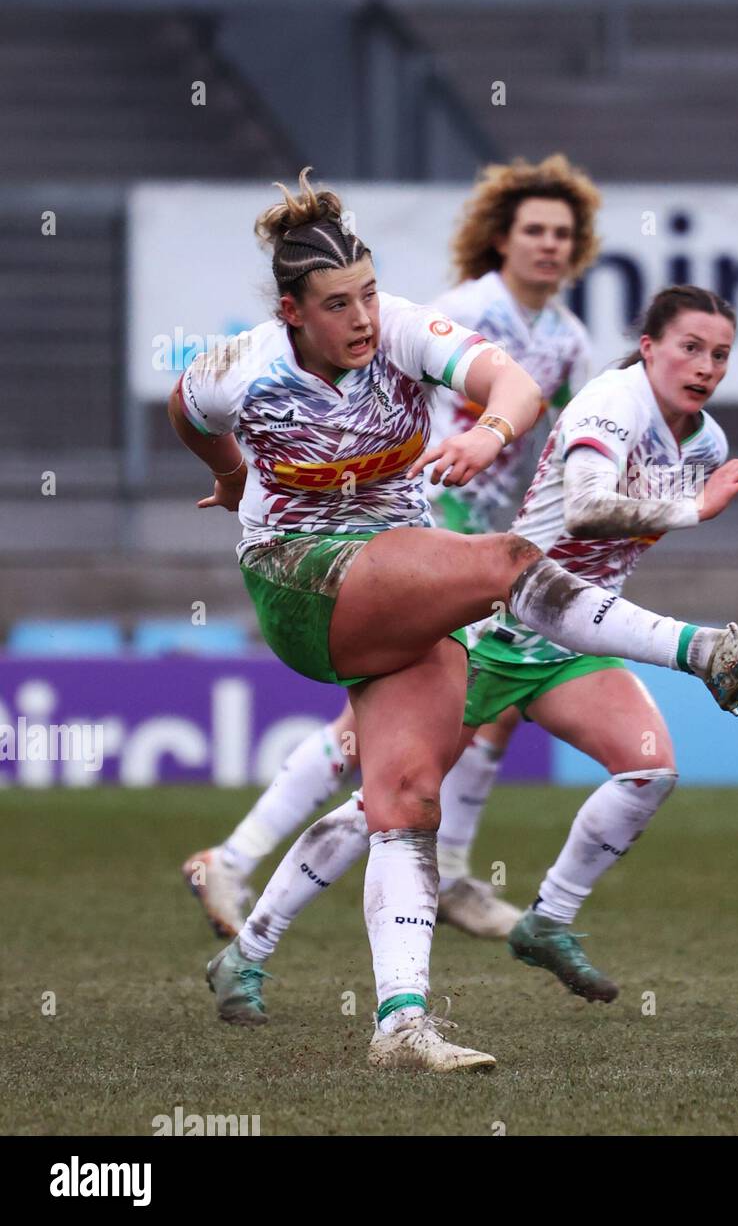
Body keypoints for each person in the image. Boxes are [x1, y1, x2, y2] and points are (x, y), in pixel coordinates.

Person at [174, 168, 738, 1072]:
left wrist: (489, 433)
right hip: (298, 576)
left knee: (403, 803)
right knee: (509, 562)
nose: (361, 318)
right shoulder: (242, 367)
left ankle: (398, 1022)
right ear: (291, 312)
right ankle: (707, 652)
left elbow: (504, 383)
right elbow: (186, 413)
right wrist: (234, 478)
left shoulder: (403, 327)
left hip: (395, 577)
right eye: (336, 305)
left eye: (367, 294)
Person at [183, 155, 600, 942]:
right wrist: (233, 473)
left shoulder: (569, 339)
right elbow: (205, 405)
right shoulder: (456, 308)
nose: (550, 246)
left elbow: (576, 428)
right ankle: (243, 861)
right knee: (398, 717)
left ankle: (426, 865)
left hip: (483, 527)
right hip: (422, 514)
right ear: (500, 241)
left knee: (483, 707)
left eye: (564, 234)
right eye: (535, 231)